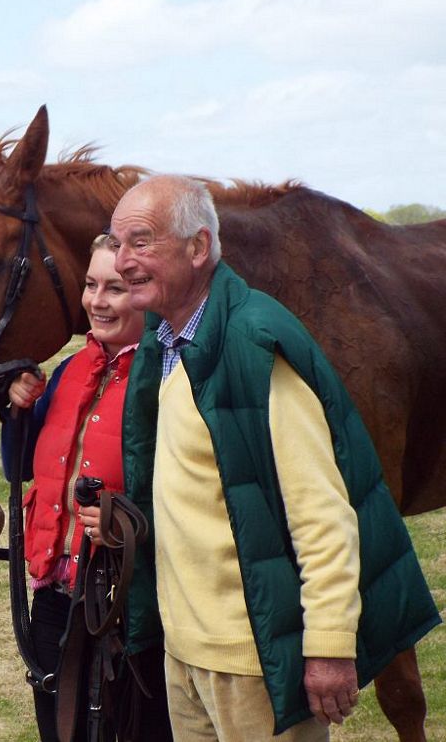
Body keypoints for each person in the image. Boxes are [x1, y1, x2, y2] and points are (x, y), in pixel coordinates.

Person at [110, 174, 440, 740]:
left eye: (141, 242)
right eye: (116, 244)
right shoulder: (164, 345)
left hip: (252, 661)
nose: (121, 262)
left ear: (198, 247)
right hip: (187, 651)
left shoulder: (253, 346)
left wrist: (331, 647)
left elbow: (323, 514)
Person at [0, 235, 171, 742]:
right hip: (57, 595)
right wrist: (18, 413)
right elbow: (19, 467)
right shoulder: (71, 370)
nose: (97, 300)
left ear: (148, 292)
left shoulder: (169, 376)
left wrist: (130, 518)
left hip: (131, 599)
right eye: (91, 285)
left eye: (115, 288)